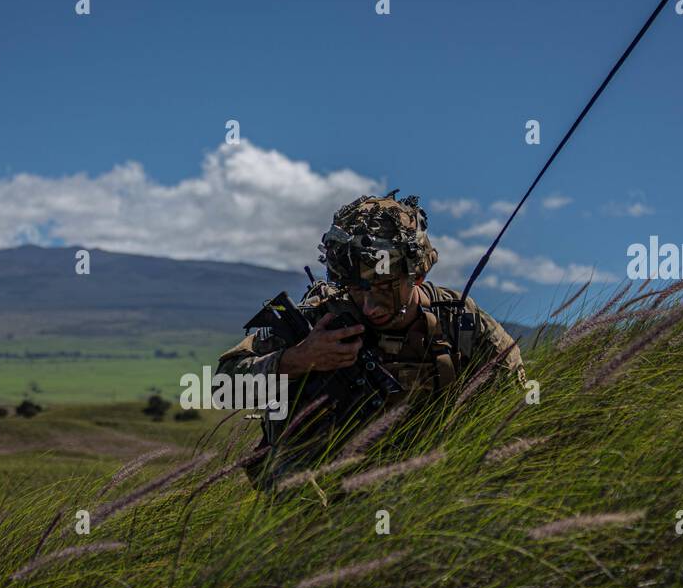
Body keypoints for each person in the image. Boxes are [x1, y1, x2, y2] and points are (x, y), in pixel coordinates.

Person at [217, 191, 526, 483]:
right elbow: (223, 389)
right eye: (355, 289)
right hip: (310, 508)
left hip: (428, 494)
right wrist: (297, 360)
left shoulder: (459, 321)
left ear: (417, 275)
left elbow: (517, 406)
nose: (368, 305)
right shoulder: (319, 322)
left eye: (383, 288)